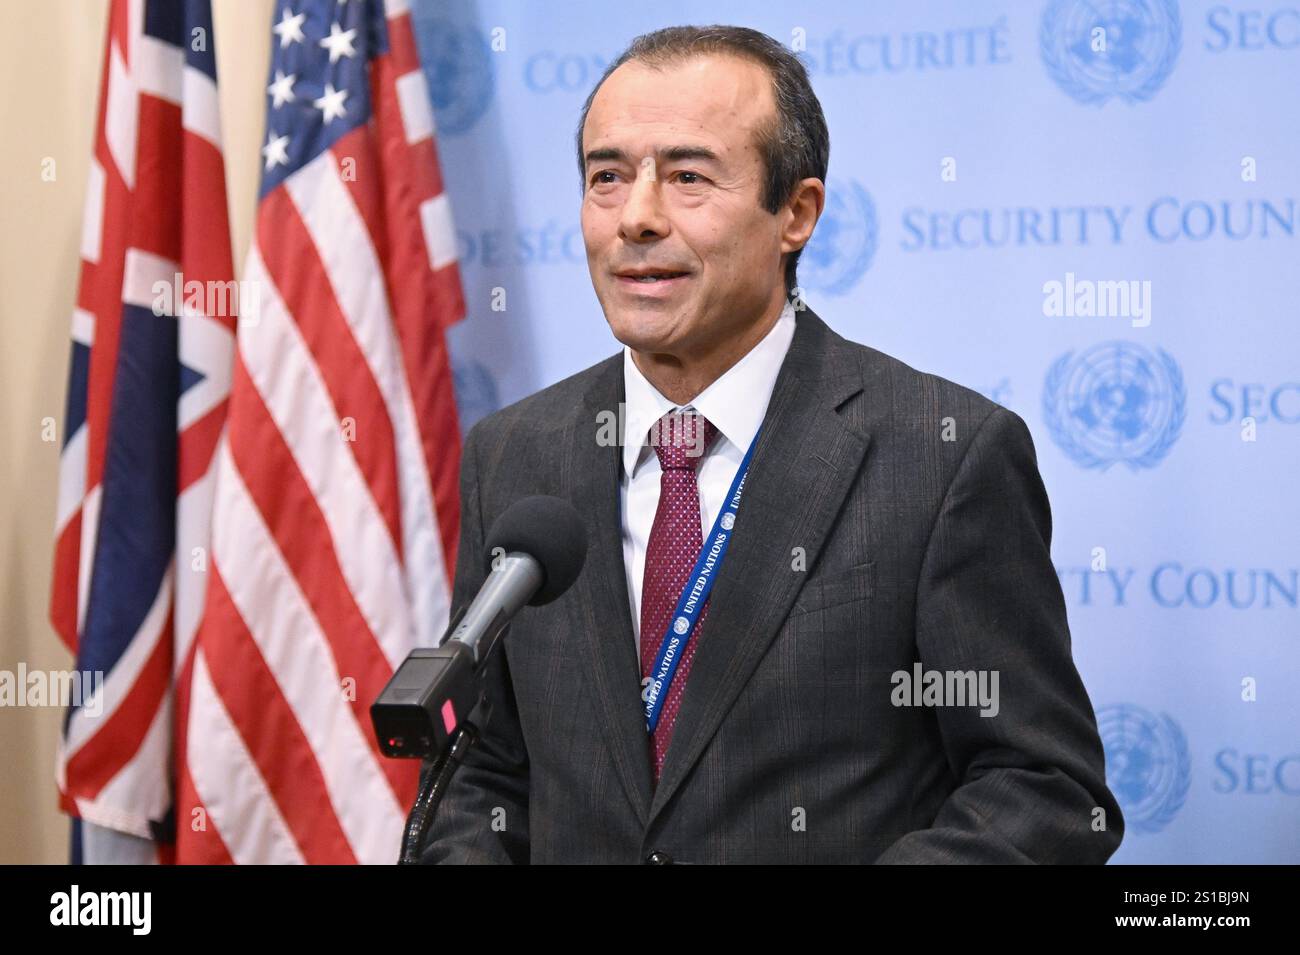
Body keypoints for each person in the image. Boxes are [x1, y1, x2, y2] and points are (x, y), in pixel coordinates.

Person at [421, 25, 1123, 864]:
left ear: (797, 213)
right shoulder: (514, 454)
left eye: (687, 177)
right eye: (607, 176)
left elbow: (1042, 787)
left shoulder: (943, 456)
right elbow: (486, 770)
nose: (636, 218)